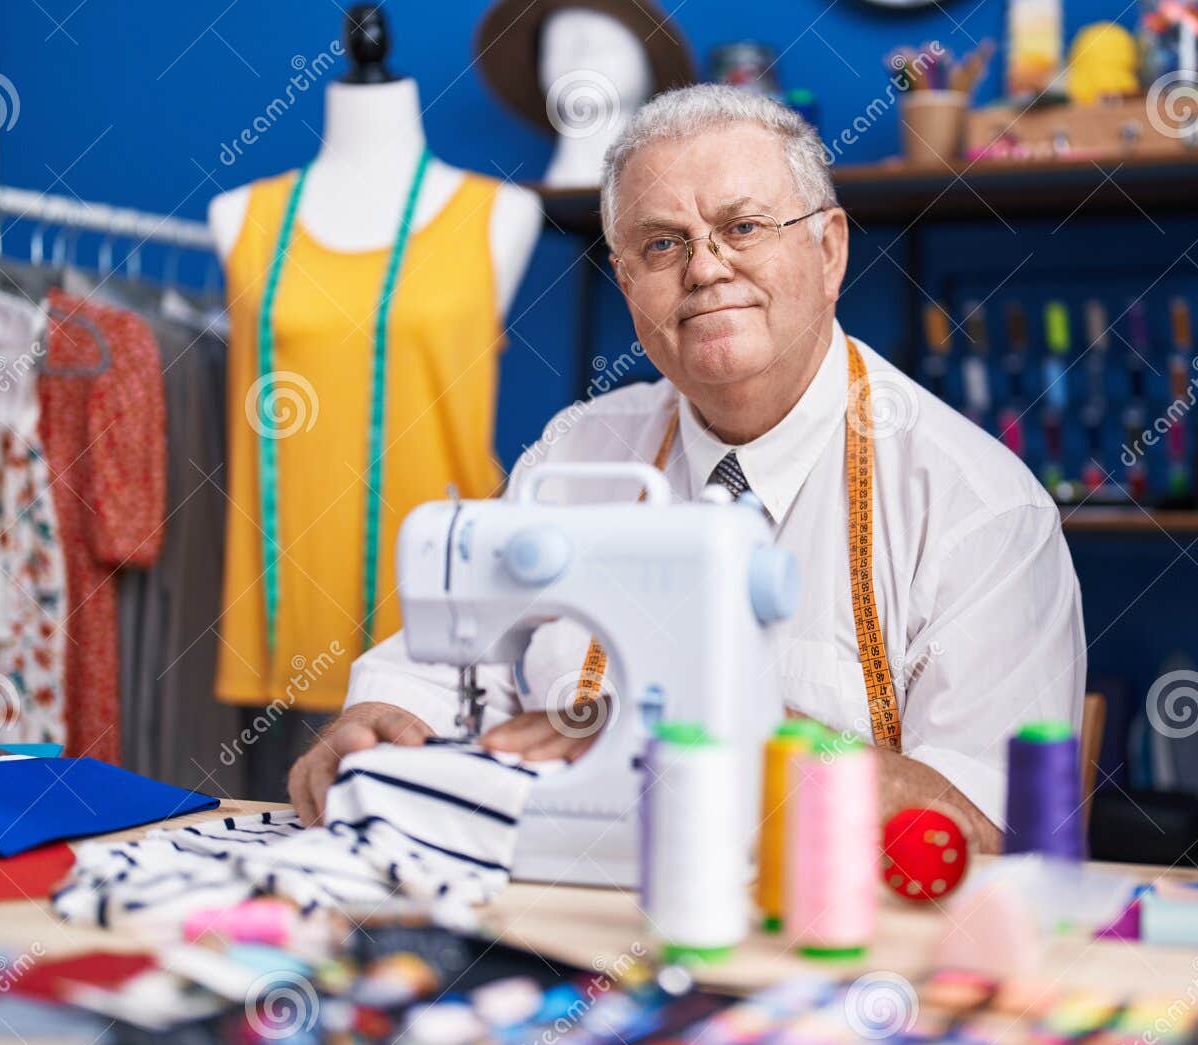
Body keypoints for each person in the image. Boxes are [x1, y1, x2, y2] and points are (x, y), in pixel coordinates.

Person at [288, 85, 1086, 852]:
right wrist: (383, 716)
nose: (705, 269)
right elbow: (446, 667)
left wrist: (656, 738)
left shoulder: (979, 509)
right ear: (629, 281)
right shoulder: (574, 457)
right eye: (662, 243)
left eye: (743, 227)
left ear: (829, 248)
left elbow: (984, 827)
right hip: (574, 920)